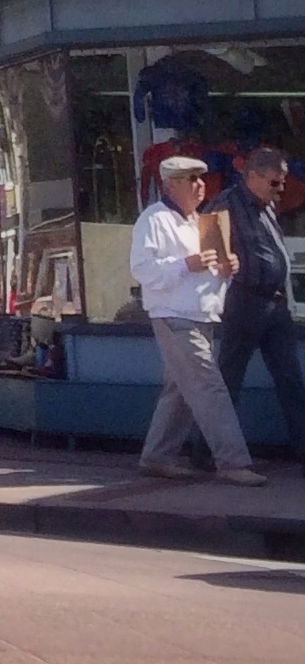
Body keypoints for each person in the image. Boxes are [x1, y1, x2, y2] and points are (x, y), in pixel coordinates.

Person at [131, 155, 266, 485]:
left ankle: (157, 456)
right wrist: (185, 265)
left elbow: (207, 274)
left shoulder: (200, 222)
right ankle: (232, 461)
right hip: (174, 315)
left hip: (199, 314)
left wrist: (226, 271)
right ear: (171, 184)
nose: (201, 185)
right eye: (192, 179)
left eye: (201, 178)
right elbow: (142, 269)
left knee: (180, 390)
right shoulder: (154, 219)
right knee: (208, 386)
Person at [211, 147, 304, 468]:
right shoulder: (225, 205)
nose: (281, 189)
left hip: (275, 304)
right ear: (252, 176)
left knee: (291, 379)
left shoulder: (267, 207)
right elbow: (207, 249)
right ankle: (210, 452)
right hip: (244, 300)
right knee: (229, 379)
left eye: (283, 182)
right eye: (275, 182)